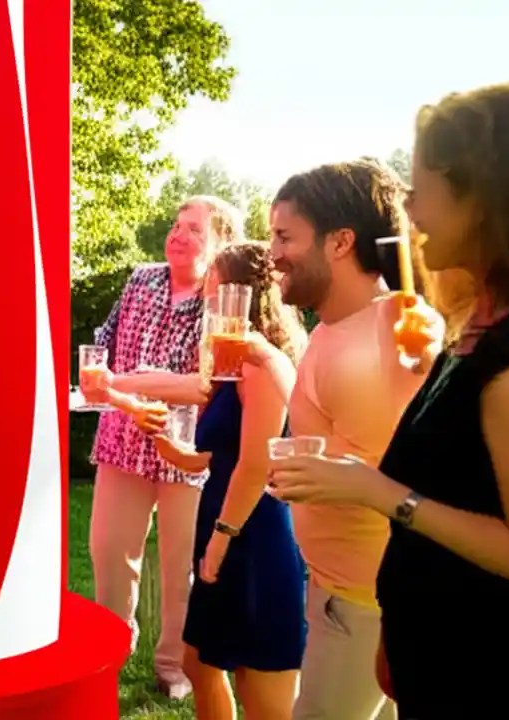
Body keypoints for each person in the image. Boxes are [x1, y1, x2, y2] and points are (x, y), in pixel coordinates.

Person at [270, 82, 509, 720]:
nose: (409, 211)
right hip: (435, 652)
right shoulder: (479, 330)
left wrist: (379, 493)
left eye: (421, 190)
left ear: (484, 201)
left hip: (487, 673)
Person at [265, 158, 443, 720]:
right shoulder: (332, 328)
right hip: (339, 594)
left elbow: (409, 477)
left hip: (365, 606)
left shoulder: (391, 335)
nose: (272, 254)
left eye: (285, 236)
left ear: (341, 242)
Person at [85, 195, 243, 699]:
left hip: (188, 448)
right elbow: (104, 337)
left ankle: (172, 663)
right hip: (122, 440)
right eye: (177, 226)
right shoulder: (141, 279)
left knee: (180, 566)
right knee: (111, 551)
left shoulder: (222, 300)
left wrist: (127, 382)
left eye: (194, 229)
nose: (178, 235)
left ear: (220, 243)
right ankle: (110, 651)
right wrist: (94, 370)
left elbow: (208, 381)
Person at [153, 242, 307, 720]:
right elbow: (217, 458)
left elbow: (255, 464)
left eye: (217, 291)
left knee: (261, 691)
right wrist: (173, 450)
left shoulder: (261, 363)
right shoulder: (227, 363)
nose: (208, 301)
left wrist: (219, 543)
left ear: (248, 296)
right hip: (220, 525)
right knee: (199, 664)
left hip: (254, 536)